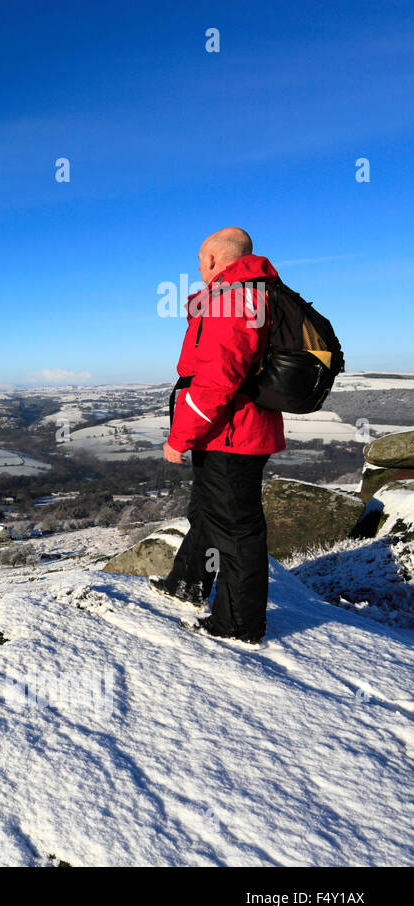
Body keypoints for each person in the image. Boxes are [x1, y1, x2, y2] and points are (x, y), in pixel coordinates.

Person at [153, 228, 285, 645]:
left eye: (199, 259)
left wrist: (180, 437)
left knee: (237, 529)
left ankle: (238, 624)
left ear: (213, 258)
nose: (197, 267)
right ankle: (187, 582)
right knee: (209, 511)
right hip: (235, 430)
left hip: (232, 433)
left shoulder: (234, 298)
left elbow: (216, 380)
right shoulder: (252, 293)